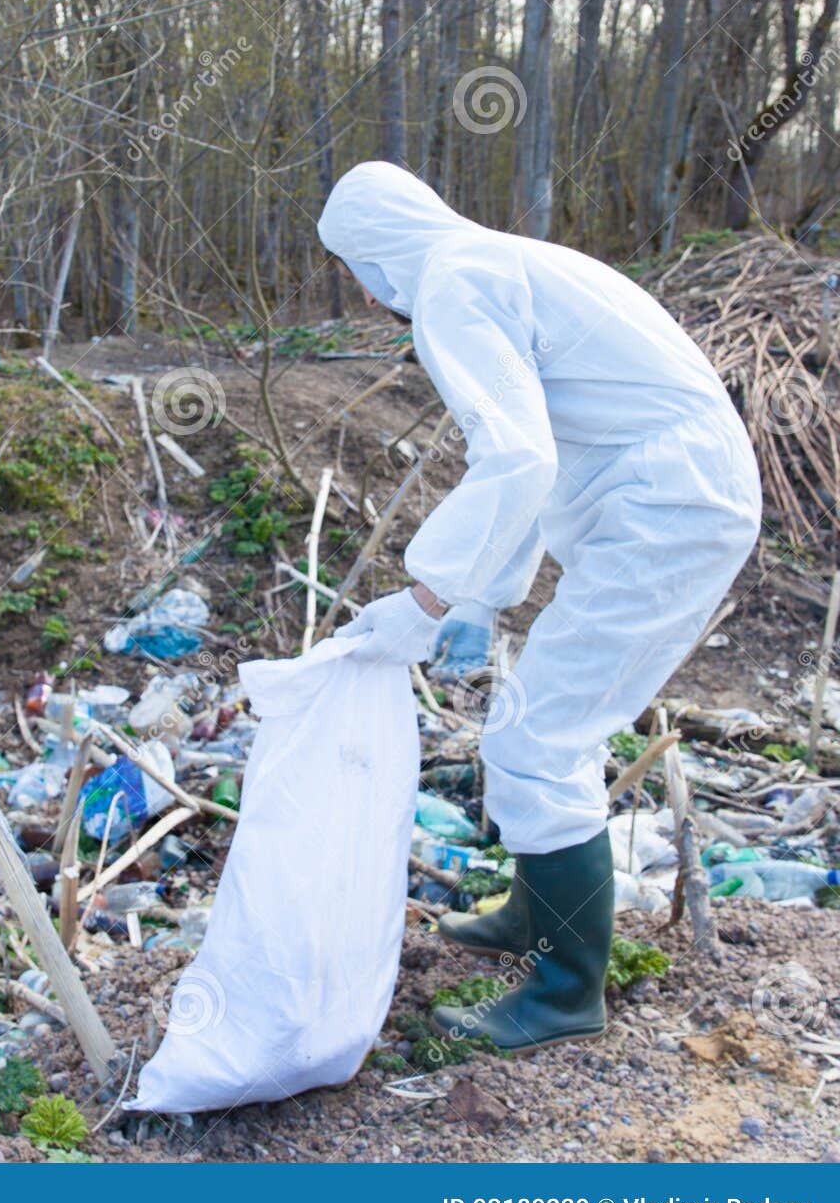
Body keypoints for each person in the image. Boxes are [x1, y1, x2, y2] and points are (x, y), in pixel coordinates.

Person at [316, 161, 761, 1052]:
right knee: (544, 728)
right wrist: (480, 598)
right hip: (671, 495)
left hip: (670, 509)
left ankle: (563, 993)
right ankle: (533, 915)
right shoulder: (493, 261)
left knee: (538, 738)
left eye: (358, 274)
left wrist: (425, 600)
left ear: (373, 258)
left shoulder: (454, 283)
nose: (367, 298)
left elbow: (515, 460)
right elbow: (538, 448)